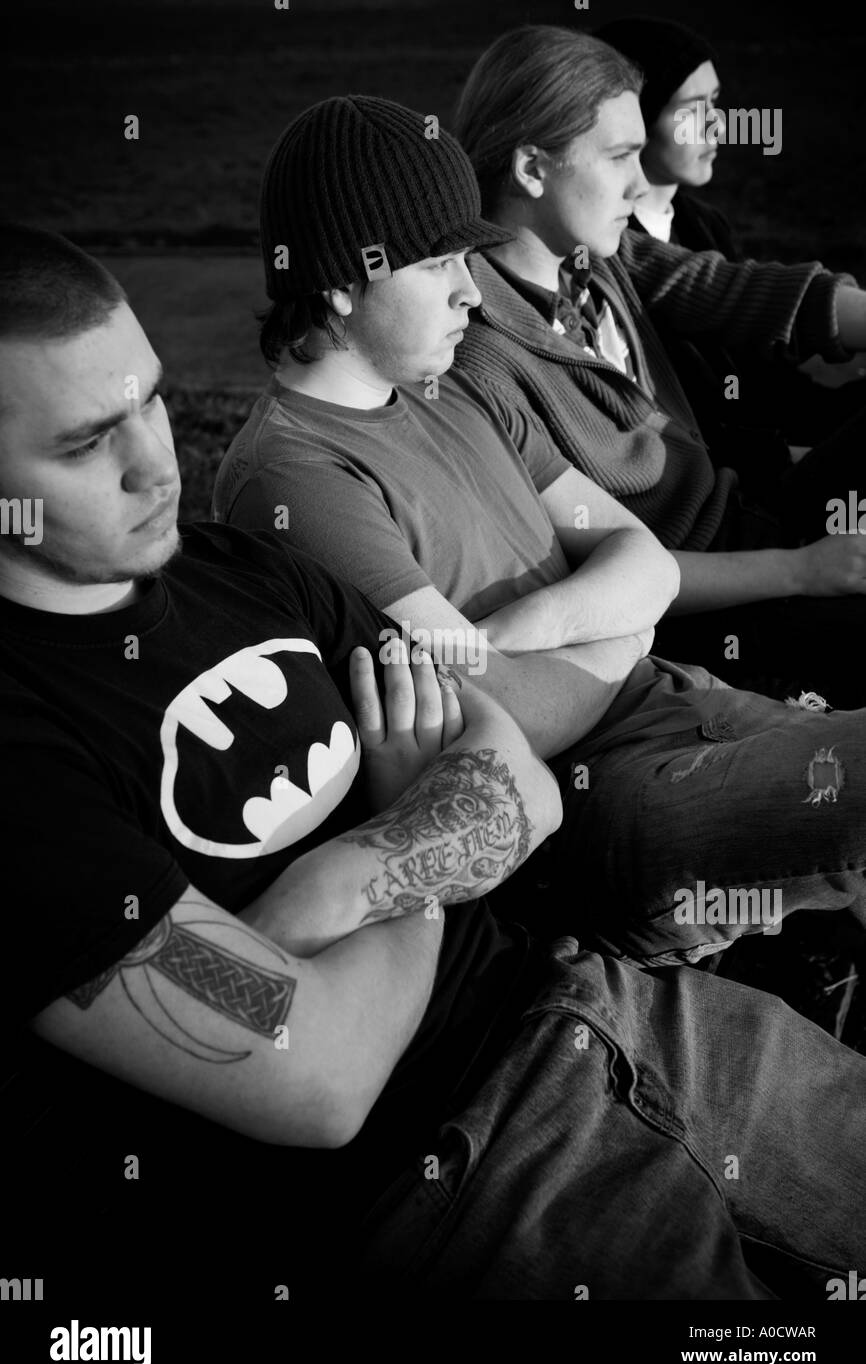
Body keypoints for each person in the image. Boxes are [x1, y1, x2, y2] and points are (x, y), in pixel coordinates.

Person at [5, 223, 866, 1302]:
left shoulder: (241, 569)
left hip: (607, 1004)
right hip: (457, 1174)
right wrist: (419, 831)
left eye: (154, 403)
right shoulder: (22, 759)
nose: (154, 462)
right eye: (88, 443)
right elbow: (321, 1076)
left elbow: (521, 782)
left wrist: (343, 882)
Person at [214, 94, 866, 977]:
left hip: (679, 701)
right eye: (438, 263)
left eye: (467, 258)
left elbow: (643, 558)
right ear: (339, 284)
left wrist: (551, 628)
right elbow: (503, 718)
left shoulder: (454, 387)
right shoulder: (295, 478)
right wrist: (622, 631)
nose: (469, 289)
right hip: (602, 809)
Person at [450, 25, 866, 707]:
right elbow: (608, 569)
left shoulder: (597, 255)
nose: (642, 183)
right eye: (620, 156)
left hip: (756, 516)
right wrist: (804, 571)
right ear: (532, 169)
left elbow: (732, 291)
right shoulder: (480, 354)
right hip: (706, 607)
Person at [593, 15, 866, 463]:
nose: (717, 125)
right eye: (691, 108)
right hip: (722, 475)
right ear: (634, 118)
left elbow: (767, 380)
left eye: (715, 102)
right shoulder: (607, 246)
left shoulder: (701, 224)